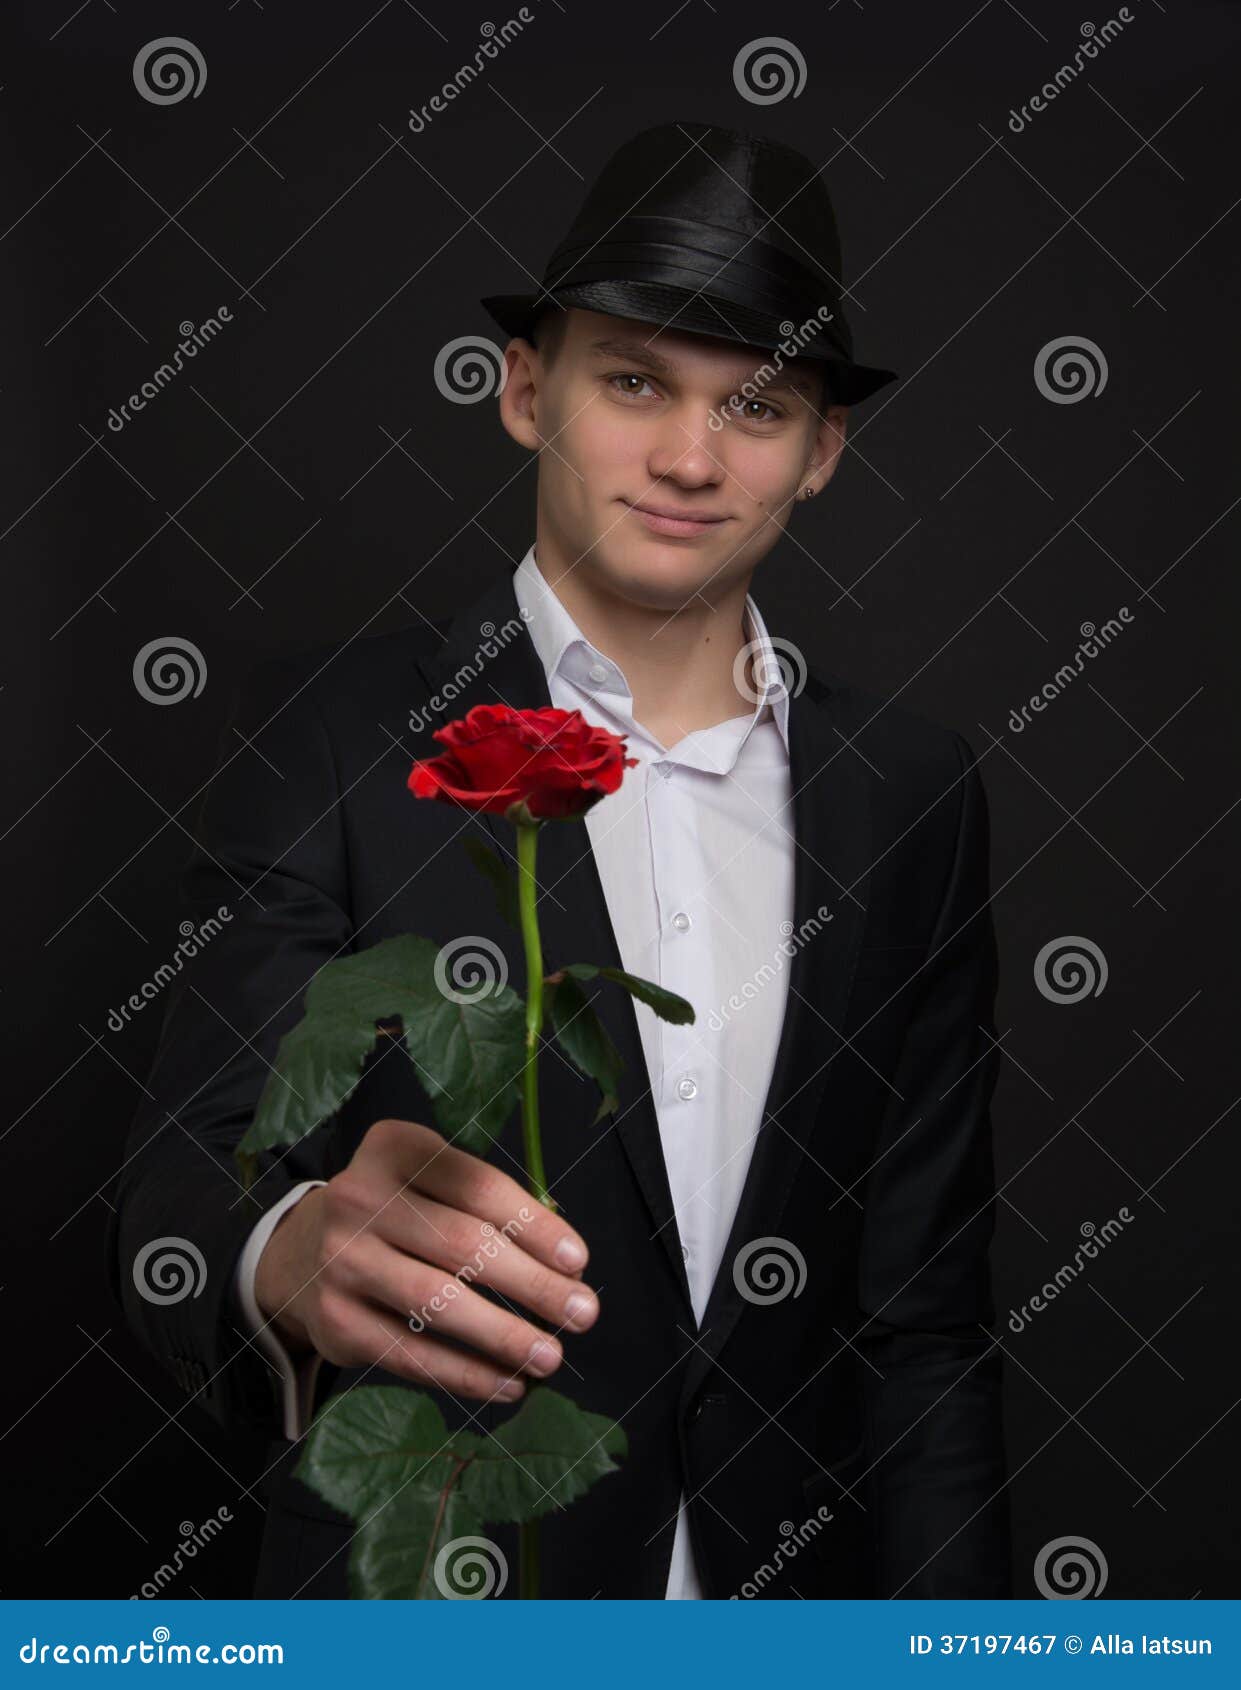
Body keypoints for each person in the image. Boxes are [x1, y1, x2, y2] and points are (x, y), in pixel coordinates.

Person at [108, 120, 1011, 1599]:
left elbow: (921, 1320)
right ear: (528, 388)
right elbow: (178, 1180)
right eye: (636, 380)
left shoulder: (910, 793)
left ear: (822, 448)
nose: (688, 456)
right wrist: (286, 1248)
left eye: (759, 405)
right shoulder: (332, 733)